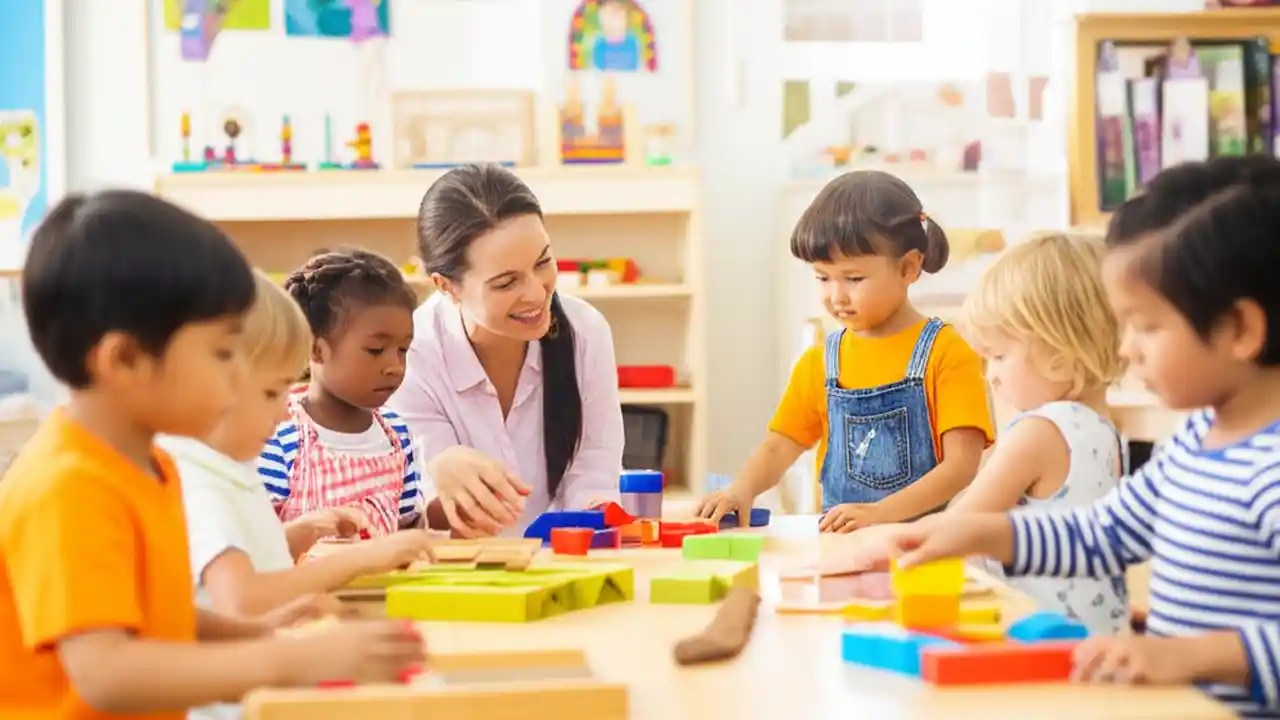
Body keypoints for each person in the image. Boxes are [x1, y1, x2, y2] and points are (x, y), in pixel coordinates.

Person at [0, 191, 425, 719]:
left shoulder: (147, 466)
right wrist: (284, 660)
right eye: (222, 353)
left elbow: (158, 614)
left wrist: (257, 631)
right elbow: (107, 674)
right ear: (126, 359)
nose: (236, 376)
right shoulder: (69, 485)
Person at [889, 173, 1280, 717]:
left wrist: (1189, 654)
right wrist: (979, 529)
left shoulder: (1270, 468)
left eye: (1146, 327)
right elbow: (1102, 532)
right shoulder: (1196, 441)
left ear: (1239, 328)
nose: (1125, 348)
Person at [161, 271, 435, 720]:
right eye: (272, 391)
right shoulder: (200, 478)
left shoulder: (230, 467)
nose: (286, 407)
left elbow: (235, 563)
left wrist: (298, 534)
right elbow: (241, 599)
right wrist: (364, 558)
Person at [696, 170, 993, 532]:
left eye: (853, 279)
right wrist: (741, 490)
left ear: (908, 267)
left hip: (923, 548)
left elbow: (961, 467)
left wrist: (881, 514)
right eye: (823, 277)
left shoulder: (946, 353)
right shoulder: (820, 362)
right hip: (840, 545)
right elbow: (779, 448)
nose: (836, 296)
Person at [388, 163, 624, 538]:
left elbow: (593, 467)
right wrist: (440, 472)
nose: (536, 293)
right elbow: (415, 501)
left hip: (567, 560)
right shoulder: (410, 351)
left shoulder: (585, 332)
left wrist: (595, 516)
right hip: (460, 571)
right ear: (446, 286)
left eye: (543, 262)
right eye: (506, 282)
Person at [947, 232, 1128, 635]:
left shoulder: (1041, 432)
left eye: (998, 356)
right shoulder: (1105, 429)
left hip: (1040, 640)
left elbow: (953, 531)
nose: (990, 376)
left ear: (1060, 362)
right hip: (1098, 639)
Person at [258, 249, 423, 538]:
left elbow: (407, 526)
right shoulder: (278, 435)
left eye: (403, 350)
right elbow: (260, 550)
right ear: (316, 349)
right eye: (375, 351)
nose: (394, 367)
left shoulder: (397, 433)